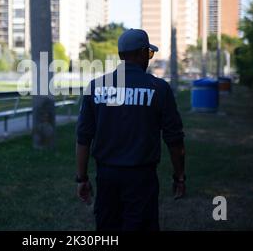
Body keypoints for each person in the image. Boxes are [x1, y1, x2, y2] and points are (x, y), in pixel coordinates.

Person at [75, 28, 186, 231]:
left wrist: (82, 178)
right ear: (143, 53)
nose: (149, 59)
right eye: (150, 54)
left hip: (106, 176)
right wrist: (179, 176)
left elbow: (83, 137)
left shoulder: (96, 86)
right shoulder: (158, 88)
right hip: (142, 177)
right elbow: (174, 138)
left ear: (121, 56)